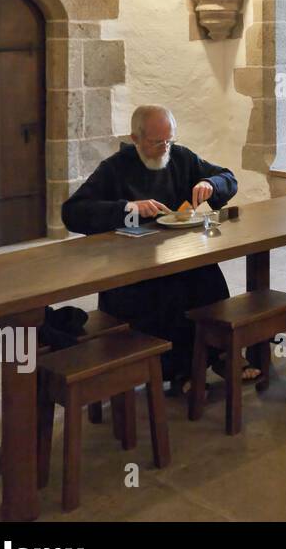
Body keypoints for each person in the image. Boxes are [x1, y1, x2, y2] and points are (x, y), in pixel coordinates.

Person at [61, 104, 246, 390]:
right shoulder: (115, 168)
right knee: (168, 295)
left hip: (181, 256)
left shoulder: (181, 157)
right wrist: (128, 207)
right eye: (156, 142)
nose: (164, 148)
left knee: (208, 277)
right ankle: (179, 370)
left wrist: (211, 184)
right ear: (135, 138)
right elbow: (73, 212)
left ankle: (217, 352)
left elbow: (228, 177)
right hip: (131, 268)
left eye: (168, 140)